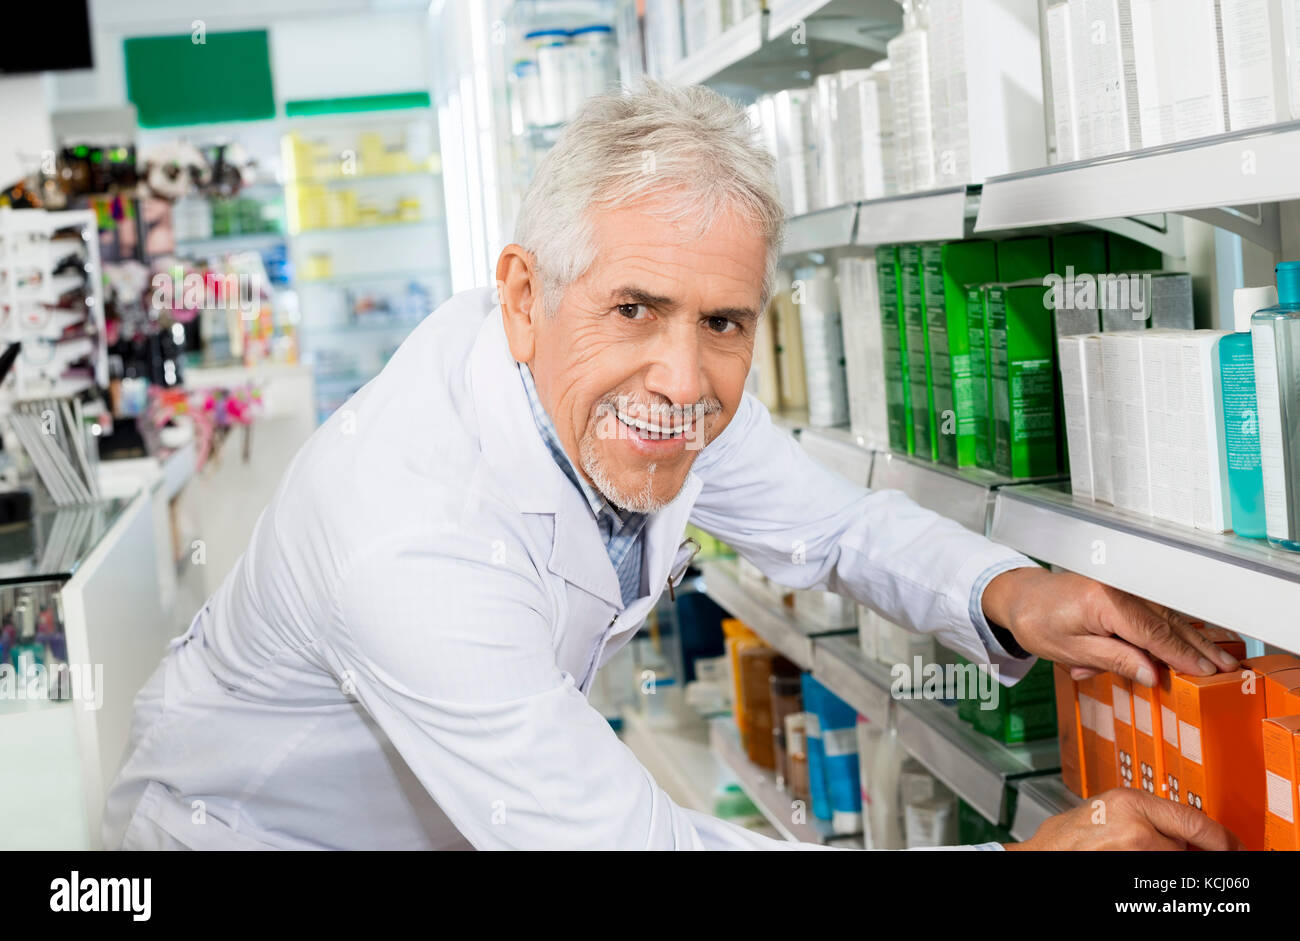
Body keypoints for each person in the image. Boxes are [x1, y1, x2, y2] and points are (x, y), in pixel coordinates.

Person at [103, 82, 1243, 851]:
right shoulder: (408, 534)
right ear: (523, 296)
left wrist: (1015, 592)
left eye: (724, 321)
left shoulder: (650, 380)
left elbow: (834, 528)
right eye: (635, 307)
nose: (684, 376)